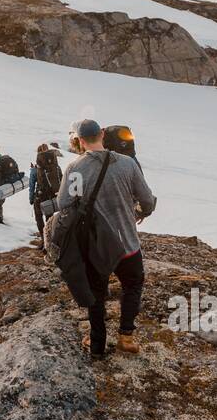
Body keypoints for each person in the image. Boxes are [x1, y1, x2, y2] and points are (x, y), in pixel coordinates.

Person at [55, 119, 156, 358]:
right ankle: (126, 337)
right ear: (102, 134)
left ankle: (97, 344)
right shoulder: (127, 164)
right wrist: (139, 212)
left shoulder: (74, 169)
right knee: (132, 285)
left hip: (96, 246)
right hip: (127, 243)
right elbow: (148, 201)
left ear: (80, 141)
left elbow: (63, 204)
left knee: (96, 294)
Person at [29, 142, 63, 236]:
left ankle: (43, 240)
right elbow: (61, 179)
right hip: (52, 195)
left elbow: (32, 185)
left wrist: (31, 198)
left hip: (40, 195)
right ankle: (50, 237)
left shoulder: (36, 169)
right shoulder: (56, 167)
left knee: (39, 217)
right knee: (49, 218)